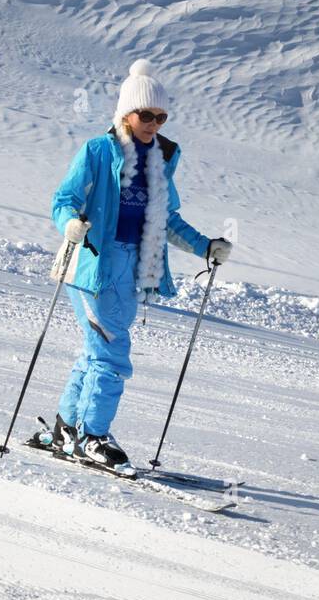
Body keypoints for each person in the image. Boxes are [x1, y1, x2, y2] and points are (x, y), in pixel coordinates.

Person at [46, 58, 232, 472]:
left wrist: (206, 246)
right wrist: (72, 223)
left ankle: (67, 428)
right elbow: (63, 201)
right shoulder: (98, 150)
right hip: (93, 264)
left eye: (161, 116)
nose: (154, 123)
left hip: (134, 269)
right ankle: (93, 436)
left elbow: (166, 220)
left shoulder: (160, 161)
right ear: (126, 113)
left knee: (97, 350)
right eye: (146, 114)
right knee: (112, 351)